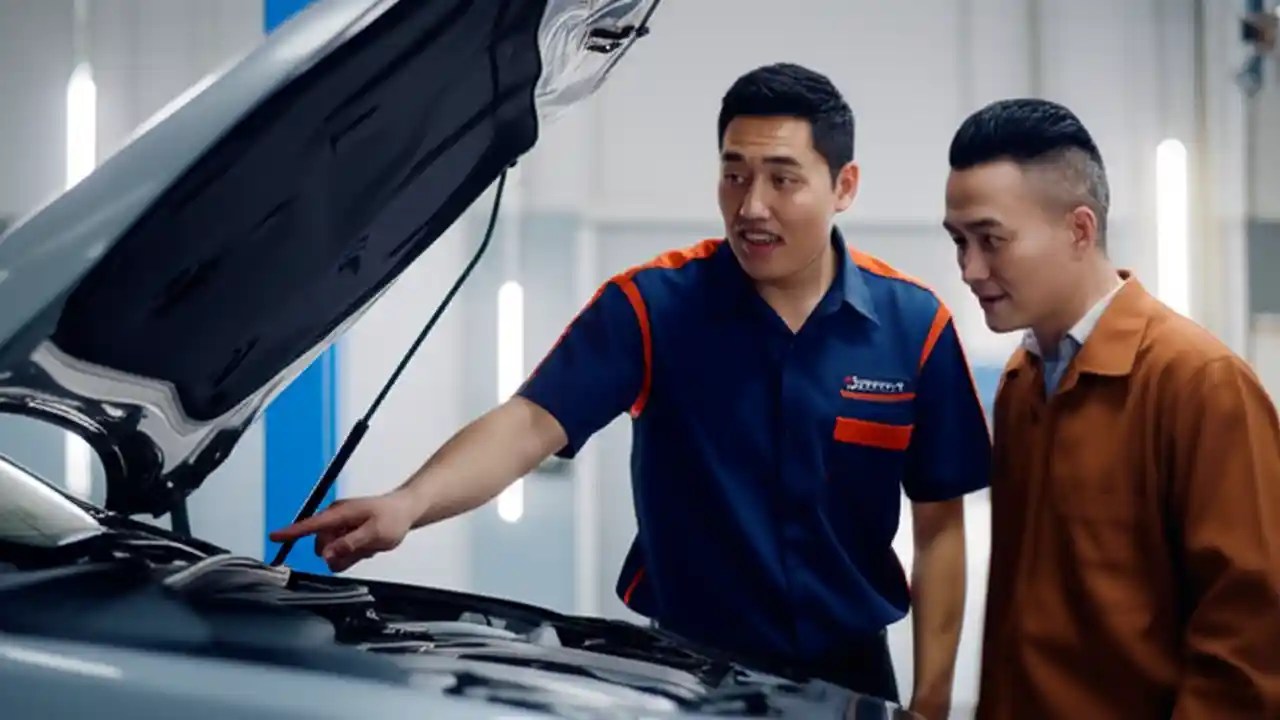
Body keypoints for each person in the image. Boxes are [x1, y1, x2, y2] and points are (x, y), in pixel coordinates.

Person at [271, 62, 992, 716]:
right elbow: (529, 424)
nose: (751, 206)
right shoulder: (652, 308)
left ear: (844, 186)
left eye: (783, 177)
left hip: (855, 675)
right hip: (688, 671)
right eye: (734, 174)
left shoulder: (913, 326)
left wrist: (930, 703)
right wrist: (409, 502)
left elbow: (939, 530)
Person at [943, 97, 1280, 719]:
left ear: (1079, 229)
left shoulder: (1199, 385)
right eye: (959, 241)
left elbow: (1250, 645)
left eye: (991, 240)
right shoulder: (1020, 383)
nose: (970, 268)